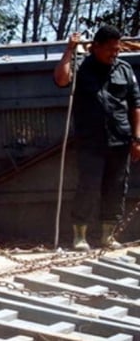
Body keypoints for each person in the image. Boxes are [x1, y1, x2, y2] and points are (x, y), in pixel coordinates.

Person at [54, 25, 140, 251]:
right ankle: (79, 236)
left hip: (120, 139)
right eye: (111, 49)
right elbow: (61, 80)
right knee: (88, 187)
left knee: (116, 187)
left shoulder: (124, 69)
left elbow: (136, 106)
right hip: (90, 141)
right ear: (96, 47)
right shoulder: (81, 66)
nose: (115, 53)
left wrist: (137, 139)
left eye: (118, 49)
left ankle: (107, 236)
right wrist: (69, 51)